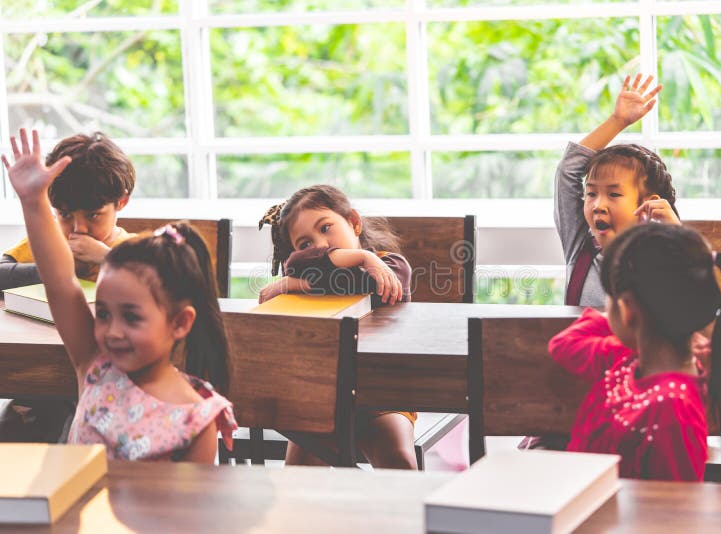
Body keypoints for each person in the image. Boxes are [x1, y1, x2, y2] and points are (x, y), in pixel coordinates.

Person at [2, 129, 236, 462]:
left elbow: (189, 499)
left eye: (131, 317)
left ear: (180, 323)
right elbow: (60, 281)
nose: (112, 331)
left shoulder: (196, 420)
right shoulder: (93, 365)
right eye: (103, 314)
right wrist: (33, 201)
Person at [549, 223, 721, 481]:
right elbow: (563, 344)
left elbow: (675, 503)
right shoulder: (628, 360)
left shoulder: (674, 412)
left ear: (627, 308)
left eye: (609, 295)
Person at [258, 184, 416, 469]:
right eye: (305, 244)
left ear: (353, 222)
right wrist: (297, 276)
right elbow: (297, 264)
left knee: (398, 458)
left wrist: (365, 258)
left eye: (326, 228)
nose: (321, 245)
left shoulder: (391, 266)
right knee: (299, 473)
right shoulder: (303, 273)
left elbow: (360, 283)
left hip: (383, 396)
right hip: (322, 396)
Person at [555, 73, 680, 307]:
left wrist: (677, 236)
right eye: (591, 193)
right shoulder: (580, 249)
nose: (598, 205)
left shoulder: (663, 261)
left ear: (647, 206)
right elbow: (568, 171)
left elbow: (699, 294)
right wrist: (617, 121)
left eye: (614, 194)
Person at [1, 131, 136, 290]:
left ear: (121, 201)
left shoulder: (134, 249)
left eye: (92, 215)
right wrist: (59, 268)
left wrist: (107, 258)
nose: (79, 228)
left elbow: (158, 283)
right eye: (65, 215)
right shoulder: (48, 239)